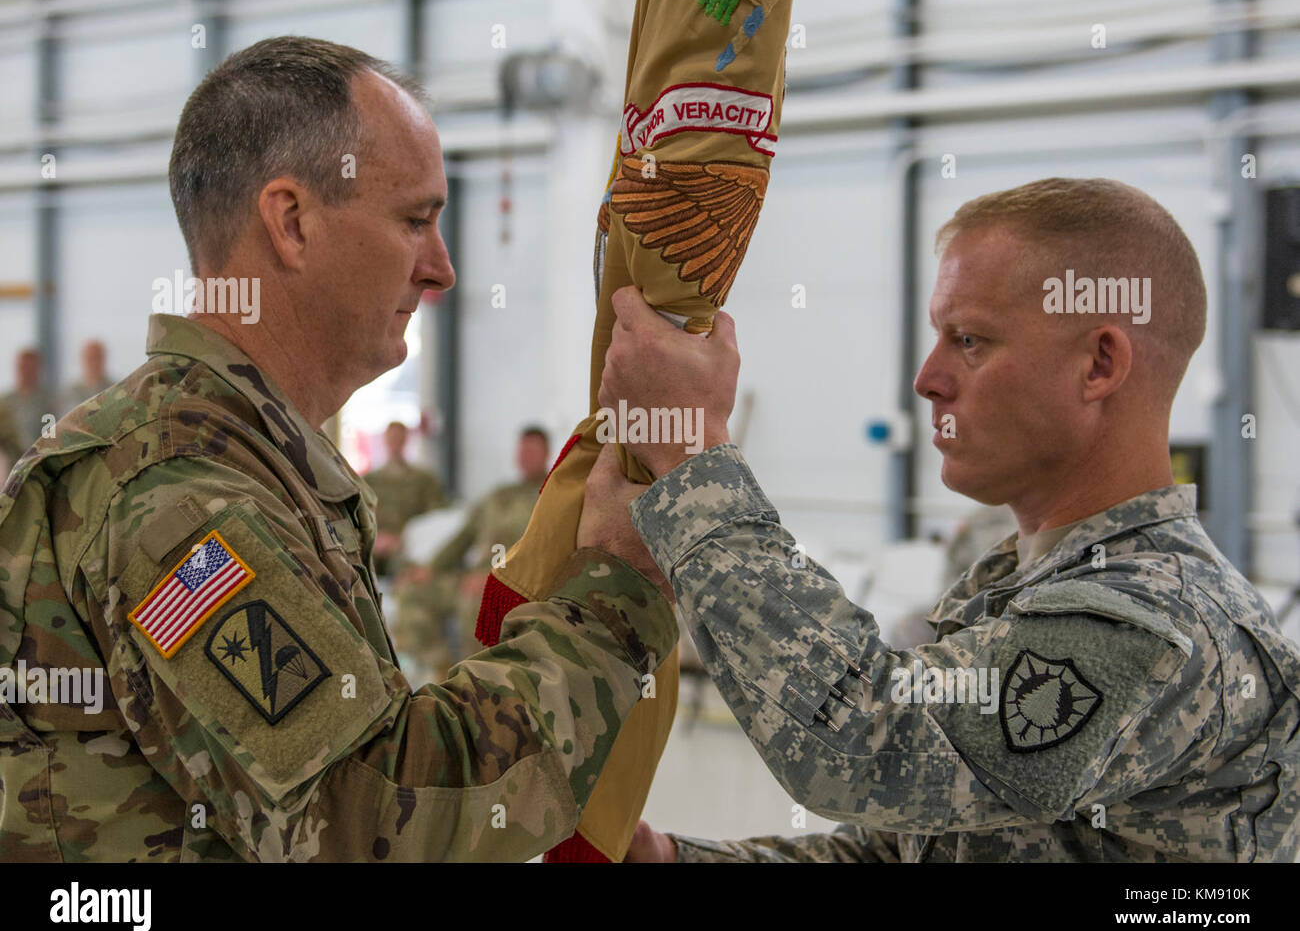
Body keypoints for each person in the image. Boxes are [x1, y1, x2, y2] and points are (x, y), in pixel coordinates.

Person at [0, 36, 673, 862]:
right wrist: (613, 596)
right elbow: (372, 818)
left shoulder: (244, 457)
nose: (443, 270)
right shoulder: (175, 493)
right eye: (414, 220)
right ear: (291, 224)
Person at [590, 177, 1300, 862]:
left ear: (1099, 364)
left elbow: (866, 740)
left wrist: (692, 457)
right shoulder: (1019, 582)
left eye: (969, 340)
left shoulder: (1154, 622)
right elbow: (905, 850)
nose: (927, 378)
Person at [393, 426, 548, 677]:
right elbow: (463, 538)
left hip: (512, 583)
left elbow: (542, 551)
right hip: (473, 578)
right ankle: (440, 672)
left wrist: (493, 575)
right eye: (522, 450)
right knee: (412, 591)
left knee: (473, 605)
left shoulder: (551, 498)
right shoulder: (498, 496)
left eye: (532, 450)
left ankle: (474, 685)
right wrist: (430, 568)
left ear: (546, 454)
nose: (526, 456)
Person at [362, 420, 447, 577]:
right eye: (391, 438)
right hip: (373, 545)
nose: (395, 443)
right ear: (385, 441)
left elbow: (434, 519)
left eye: (399, 438)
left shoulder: (424, 480)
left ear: (406, 440)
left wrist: (403, 539)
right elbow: (359, 517)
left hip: (408, 546)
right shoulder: (369, 481)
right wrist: (374, 539)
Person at [2, 348, 56, 452]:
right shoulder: (5, 402)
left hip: (38, 457)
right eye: (22, 367)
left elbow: (50, 435)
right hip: (10, 460)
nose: (25, 372)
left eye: (30, 368)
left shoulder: (48, 401)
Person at [60, 339, 115, 413]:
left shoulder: (115, 389)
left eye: (97, 357)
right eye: (90, 358)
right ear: (82, 360)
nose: (94, 363)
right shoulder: (69, 393)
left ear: (104, 359)